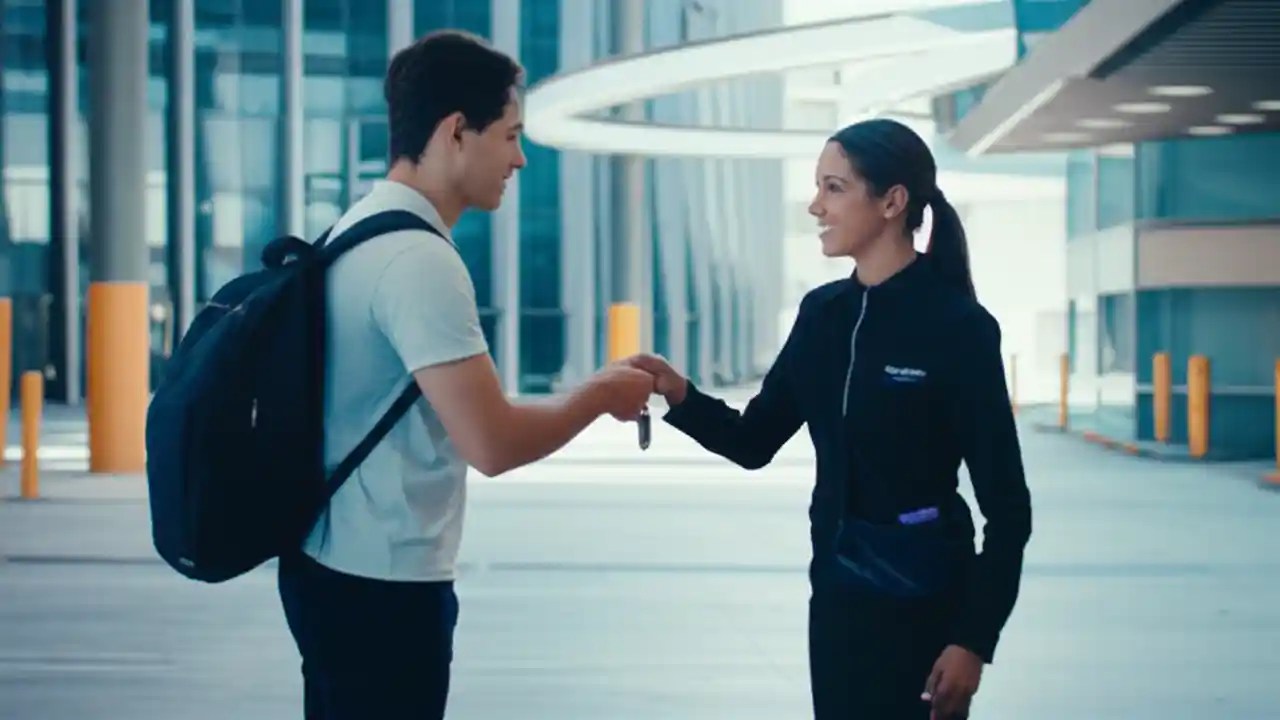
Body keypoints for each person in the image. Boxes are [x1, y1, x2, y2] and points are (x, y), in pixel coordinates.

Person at [276, 30, 654, 719]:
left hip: (331, 564)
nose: (520, 158)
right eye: (509, 136)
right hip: (381, 586)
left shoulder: (355, 230)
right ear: (456, 132)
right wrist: (600, 394)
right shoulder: (416, 261)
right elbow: (493, 442)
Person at [625, 118, 1032, 719]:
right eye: (818, 187)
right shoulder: (823, 316)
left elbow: (1008, 506)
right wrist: (676, 392)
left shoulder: (959, 328)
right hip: (839, 602)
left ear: (892, 202)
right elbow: (753, 439)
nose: (816, 206)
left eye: (834, 188)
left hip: (927, 606)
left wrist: (974, 641)